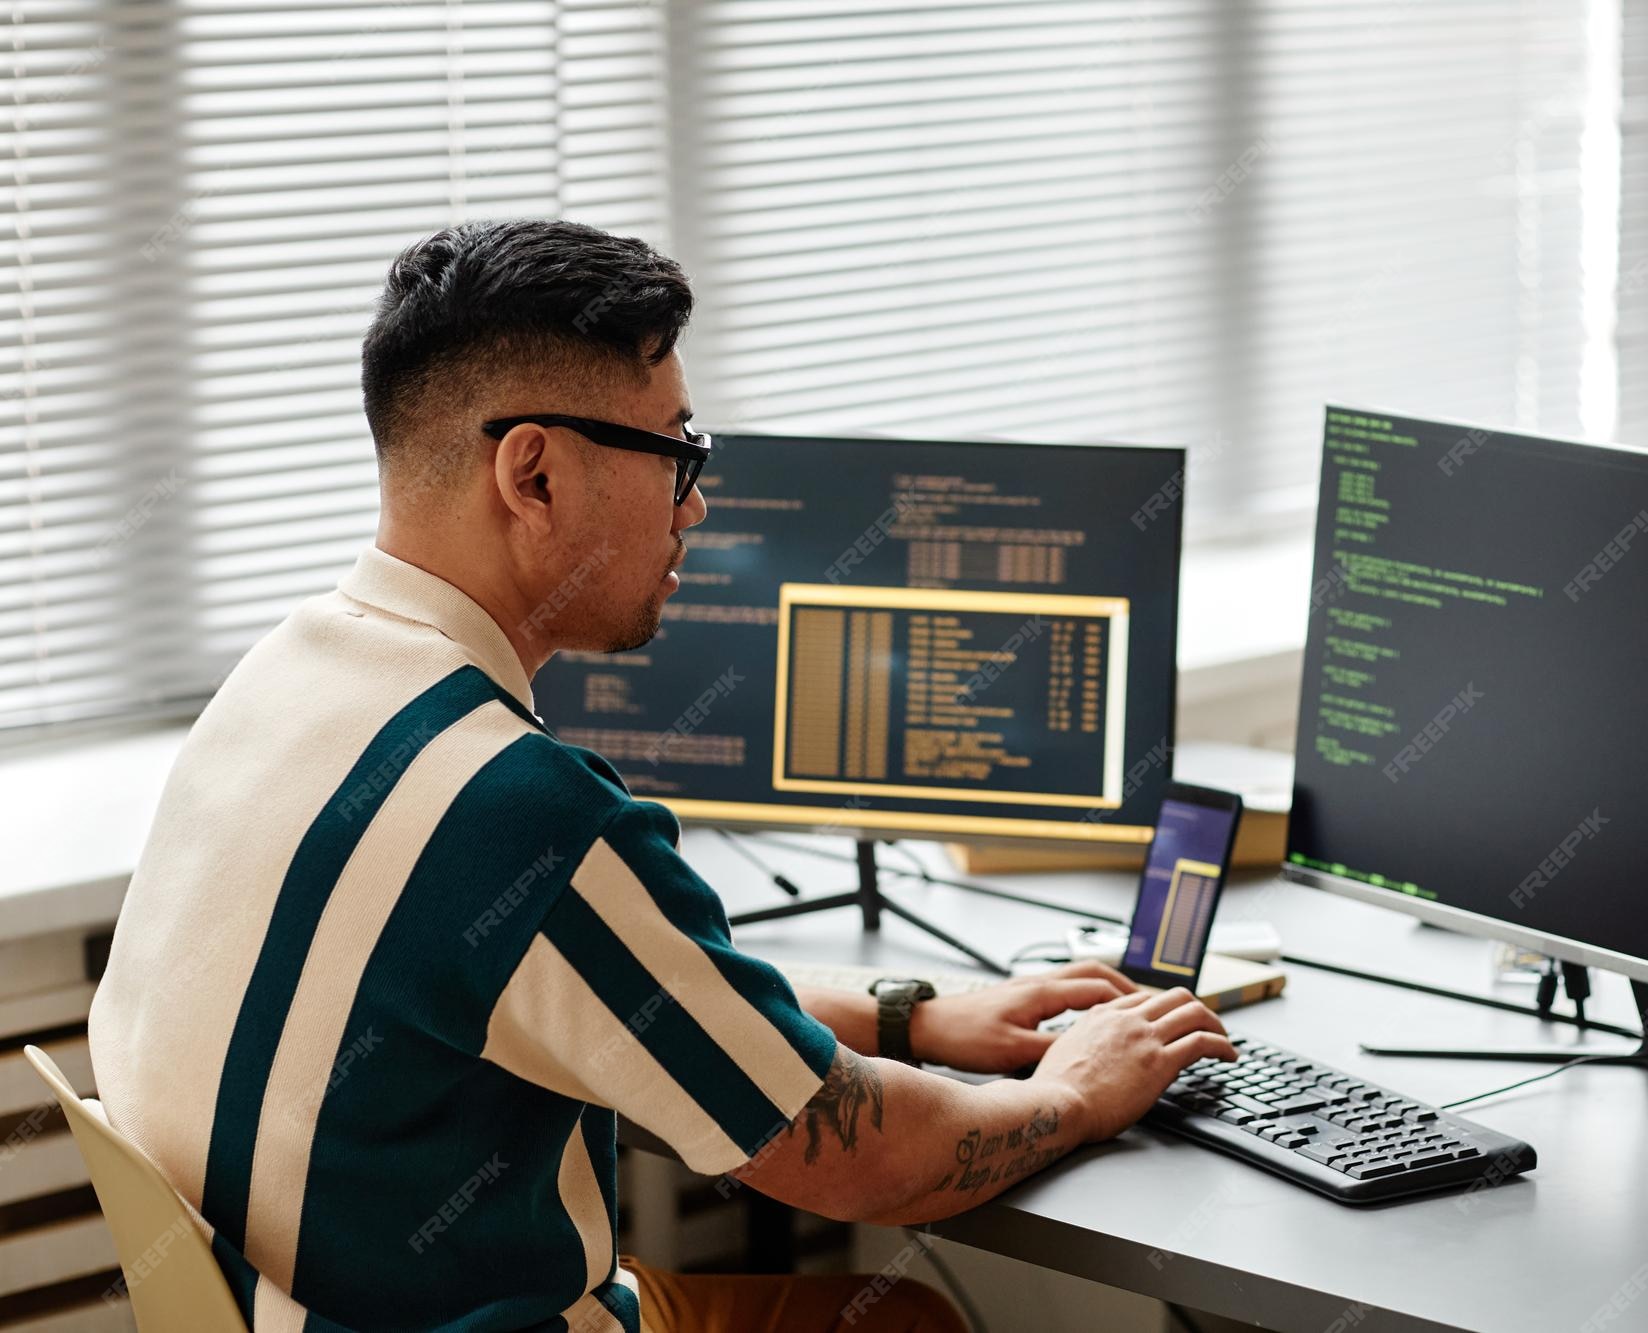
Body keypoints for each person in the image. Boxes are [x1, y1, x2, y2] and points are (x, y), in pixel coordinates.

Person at [89, 218, 1236, 1333]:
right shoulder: (514, 807)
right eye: (678, 452)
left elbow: (613, 979)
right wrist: (1075, 1091)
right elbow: (861, 1160)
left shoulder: (288, 675)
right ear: (531, 476)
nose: (696, 503)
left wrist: (915, 1012)